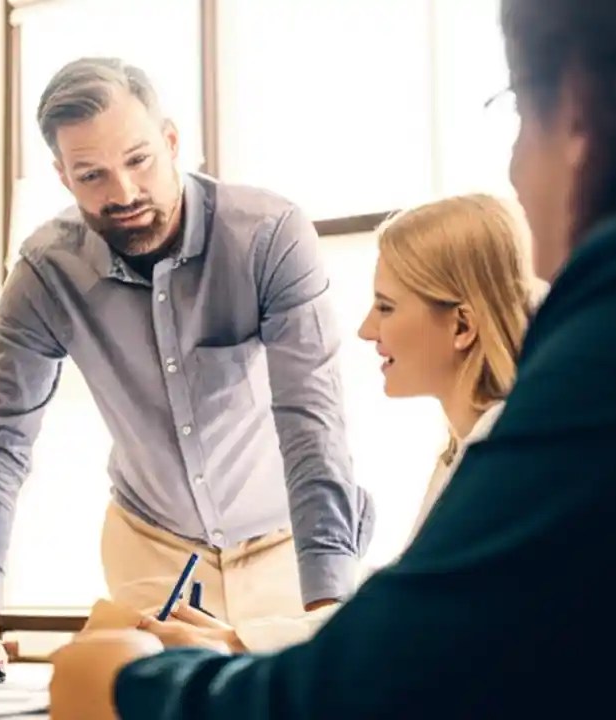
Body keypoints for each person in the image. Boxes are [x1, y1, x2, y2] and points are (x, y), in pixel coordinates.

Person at [48, 0, 616, 716]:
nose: (513, 166)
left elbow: (399, 675)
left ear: (576, 111)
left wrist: (129, 688)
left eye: (514, 108)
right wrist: (236, 642)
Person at [0, 57, 374, 632]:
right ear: (63, 176)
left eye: (138, 160)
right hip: (154, 550)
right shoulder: (46, 273)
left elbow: (312, 420)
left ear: (170, 141)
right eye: (91, 174)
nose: (123, 192)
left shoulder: (269, 236)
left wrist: (327, 609)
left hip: (289, 545)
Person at [140, 194, 539, 653]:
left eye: (386, 307)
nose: (367, 329)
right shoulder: (475, 449)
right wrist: (233, 638)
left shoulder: (499, 470)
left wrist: (236, 644)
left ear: (462, 326)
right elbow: (402, 608)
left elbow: (410, 627)